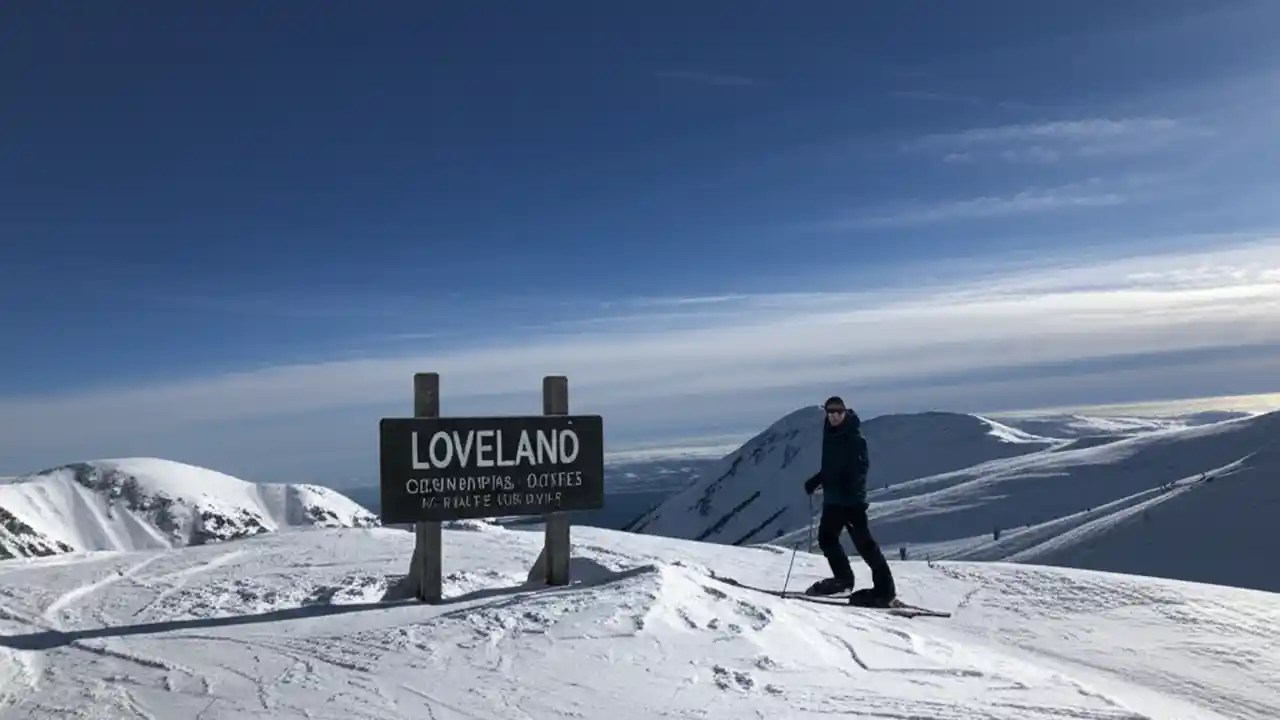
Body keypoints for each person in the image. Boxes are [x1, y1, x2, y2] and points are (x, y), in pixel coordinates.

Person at [802, 395, 896, 607]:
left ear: (845, 413)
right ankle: (843, 580)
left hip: (851, 502)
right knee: (827, 539)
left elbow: (860, 469)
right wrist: (818, 480)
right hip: (834, 500)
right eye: (830, 413)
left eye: (838, 412)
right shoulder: (830, 435)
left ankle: (885, 591)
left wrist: (843, 485)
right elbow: (831, 468)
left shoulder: (854, 438)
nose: (834, 416)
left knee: (865, 546)